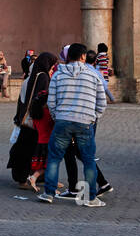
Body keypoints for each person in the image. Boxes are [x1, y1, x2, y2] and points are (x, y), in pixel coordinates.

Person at [38, 43, 109, 206]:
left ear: (68, 57)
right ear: (83, 56)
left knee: (54, 158)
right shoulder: (93, 76)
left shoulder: (57, 75)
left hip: (62, 121)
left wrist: (58, 117)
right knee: (88, 159)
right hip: (85, 122)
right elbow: (102, 102)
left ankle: (48, 193)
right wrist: (93, 117)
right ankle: (90, 197)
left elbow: (51, 102)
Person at [14, 51, 57, 191]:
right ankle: (26, 178)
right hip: (37, 119)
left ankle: (30, 177)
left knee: (26, 148)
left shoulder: (33, 76)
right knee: (32, 149)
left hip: (28, 118)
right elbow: (43, 97)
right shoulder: (43, 77)